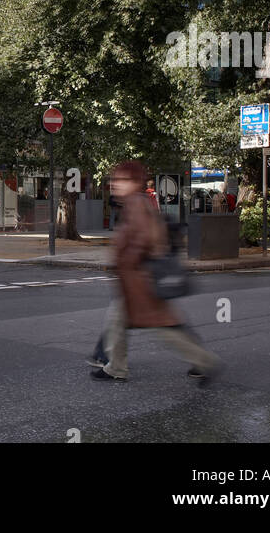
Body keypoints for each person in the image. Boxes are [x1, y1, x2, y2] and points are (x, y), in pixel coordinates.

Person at [89, 160, 221, 384]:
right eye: (114, 179)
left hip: (139, 281)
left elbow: (144, 239)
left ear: (134, 182)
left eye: (121, 180)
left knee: (163, 329)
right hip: (133, 281)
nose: (115, 184)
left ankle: (206, 362)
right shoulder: (134, 202)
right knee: (117, 321)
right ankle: (116, 368)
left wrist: (128, 261)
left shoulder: (136, 204)